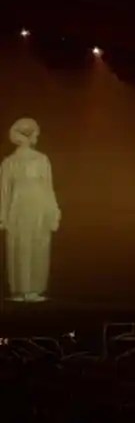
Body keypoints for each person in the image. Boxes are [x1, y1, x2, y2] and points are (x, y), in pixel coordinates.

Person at [0, 118, 61, 302]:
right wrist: (2, 215)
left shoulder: (41, 160)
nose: (37, 136)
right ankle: (22, 289)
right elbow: (4, 191)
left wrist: (52, 212)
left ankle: (32, 289)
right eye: (35, 133)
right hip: (20, 210)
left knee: (36, 246)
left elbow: (48, 188)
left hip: (35, 210)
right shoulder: (10, 163)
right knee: (20, 247)